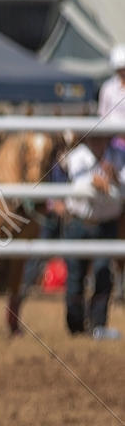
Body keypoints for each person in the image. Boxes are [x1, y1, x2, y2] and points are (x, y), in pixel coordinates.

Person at [60, 135, 123, 337]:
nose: (98, 143)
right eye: (95, 139)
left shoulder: (119, 154)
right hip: (79, 222)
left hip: (106, 223)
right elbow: (78, 186)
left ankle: (98, 325)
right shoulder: (78, 156)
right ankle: (76, 325)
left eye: (102, 139)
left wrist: (114, 179)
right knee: (75, 275)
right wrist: (95, 183)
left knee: (103, 273)